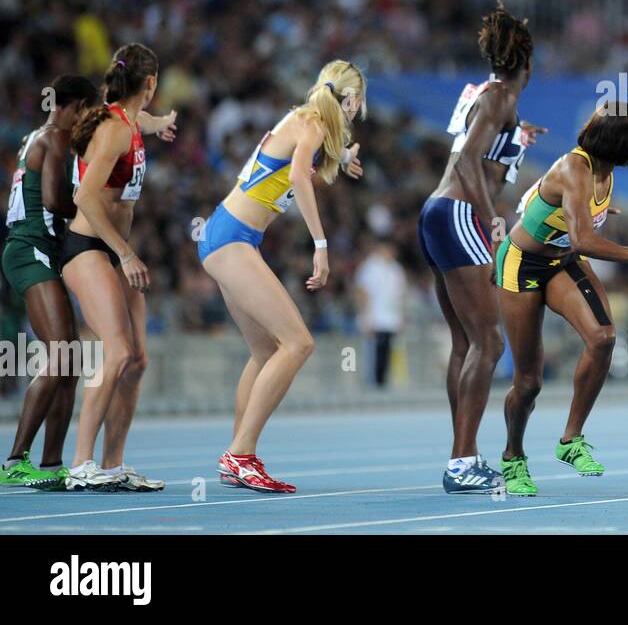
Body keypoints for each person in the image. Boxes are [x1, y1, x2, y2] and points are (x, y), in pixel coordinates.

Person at [497, 102, 628, 495]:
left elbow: (536, 201)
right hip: (522, 264)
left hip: (561, 261)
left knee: (604, 337)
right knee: (529, 381)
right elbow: (583, 239)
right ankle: (513, 457)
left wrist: (590, 212)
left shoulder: (605, 172)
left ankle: (571, 439)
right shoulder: (576, 169)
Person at [199, 60, 365, 493]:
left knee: (266, 351)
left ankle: (237, 454)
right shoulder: (310, 124)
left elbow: (300, 161)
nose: (358, 112)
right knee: (298, 343)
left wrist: (343, 157)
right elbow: (297, 176)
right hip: (232, 238)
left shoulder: (306, 123)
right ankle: (240, 454)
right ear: (347, 99)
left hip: (228, 234)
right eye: (358, 103)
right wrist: (321, 244)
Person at [419, 3, 541, 493]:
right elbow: (470, 160)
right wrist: (491, 214)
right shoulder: (501, 100)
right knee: (490, 342)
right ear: (527, 62)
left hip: (435, 212)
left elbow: (472, 150)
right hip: (458, 214)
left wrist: (518, 138)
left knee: (467, 344)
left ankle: (462, 456)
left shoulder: (485, 95)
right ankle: (461, 461)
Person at [63, 45, 178, 492]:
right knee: (116, 352)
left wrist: (163, 123)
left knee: (137, 360)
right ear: (149, 84)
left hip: (112, 249)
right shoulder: (112, 129)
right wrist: (125, 253)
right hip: (89, 246)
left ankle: (112, 465)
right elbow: (85, 198)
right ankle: (80, 463)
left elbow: (144, 122)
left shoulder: (130, 120)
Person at [0, 75, 99, 489]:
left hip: (33, 250)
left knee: (70, 362)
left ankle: (51, 462)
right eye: (86, 114)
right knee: (61, 355)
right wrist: (91, 203)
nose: (85, 122)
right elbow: (56, 199)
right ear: (75, 107)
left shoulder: (35, 135)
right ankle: (14, 460)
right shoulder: (56, 136)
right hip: (31, 250)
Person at [356, 240, 407, 388]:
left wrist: (402, 316)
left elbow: (401, 295)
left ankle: (383, 383)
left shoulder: (396, 269)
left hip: (391, 318)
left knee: (388, 352)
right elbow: (362, 292)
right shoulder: (370, 267)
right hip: (374, 317)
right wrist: (365, 316)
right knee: (373, 353)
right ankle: (372, 384)